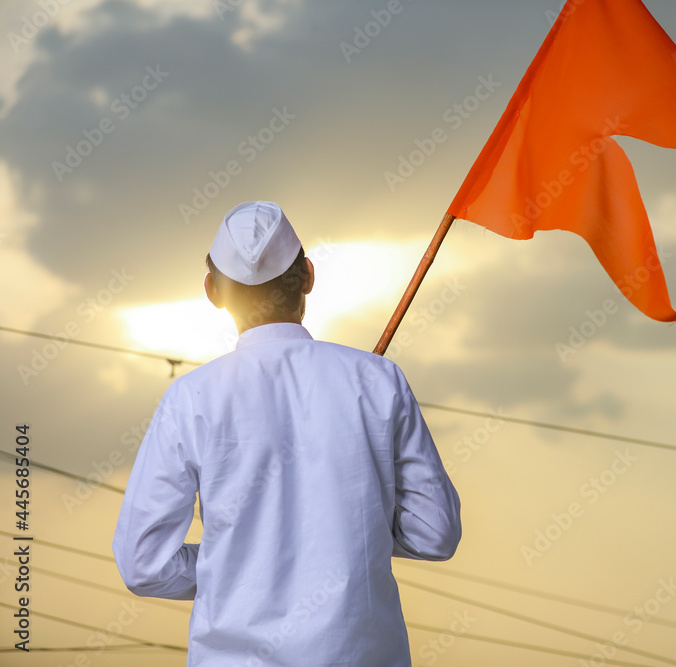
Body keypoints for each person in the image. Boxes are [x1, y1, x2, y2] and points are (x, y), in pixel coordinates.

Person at [112, 200, 461, 666]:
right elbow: (435, 534)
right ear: (309, 276)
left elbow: (144, 565)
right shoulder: (377, 380)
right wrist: (340, 537)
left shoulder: (191, 398)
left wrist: (240, 558)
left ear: (212, 290)